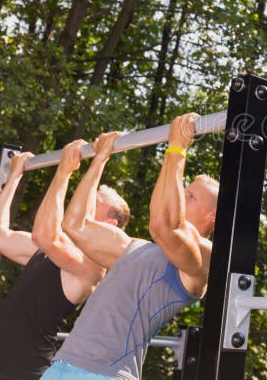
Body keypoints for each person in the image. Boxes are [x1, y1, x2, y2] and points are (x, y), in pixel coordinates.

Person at [41, 113, 218, 380]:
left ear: (212, 216)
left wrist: (177, 149)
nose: (181, 194)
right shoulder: (135, 246)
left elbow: (164, 224)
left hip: (106, 375)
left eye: (191, 196)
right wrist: (100, 160)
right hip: (62, 365)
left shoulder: (203, 259)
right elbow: (75, 224)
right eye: (184, 188)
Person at [0, 140, 130, 380]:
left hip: (27, 373)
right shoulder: (52, 249)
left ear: (110, 225)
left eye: (92, 201)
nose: (81, 203)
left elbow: (44, 235)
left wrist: (64, 171)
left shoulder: (91, 266)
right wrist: (14, 176)